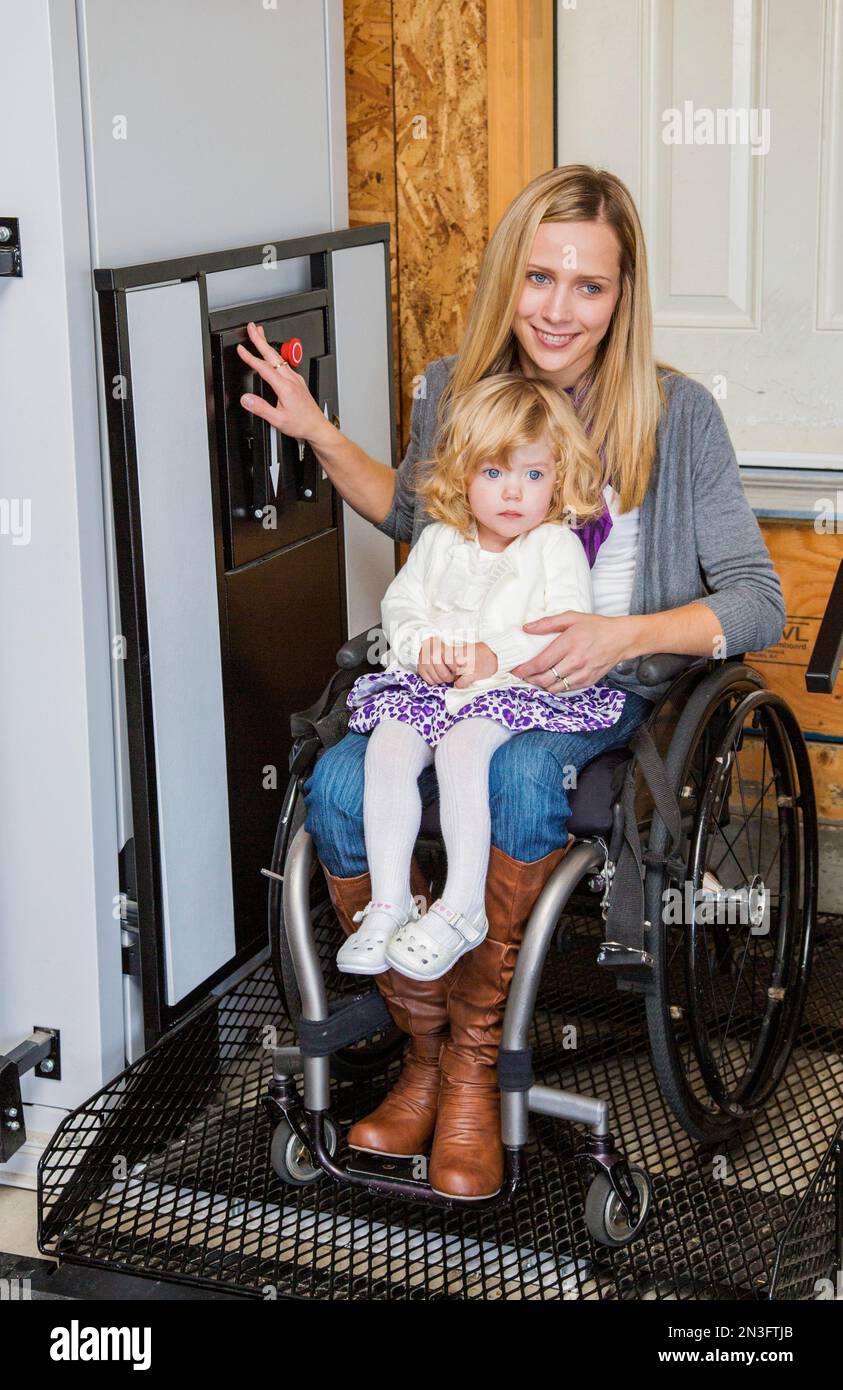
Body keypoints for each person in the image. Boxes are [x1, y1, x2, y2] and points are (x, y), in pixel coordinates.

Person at [237, 165, 786, 1201]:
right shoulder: (456, 390)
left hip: (596, 693)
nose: (560, 308)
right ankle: (425, 1052)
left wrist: (620, 632)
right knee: (344, 786)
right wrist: (316, 434)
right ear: (509, 278)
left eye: (591, 285)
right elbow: (417, 517)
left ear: (624, 296)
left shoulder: (679, 416)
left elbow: (758, 600)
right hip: (456, 678)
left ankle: (475, 1064)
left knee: (526, 775)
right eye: (541, 276)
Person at [337, 373, 626, 990]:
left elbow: (563, 627)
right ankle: (388, 904)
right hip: (435, 685)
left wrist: (492, 656)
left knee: (465, 748)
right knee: (389, 743)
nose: (514, 493)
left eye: (533, 475)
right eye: (494, 474)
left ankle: (462, 903)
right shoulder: (440, 540)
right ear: (462, 475)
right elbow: (402, 608)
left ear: (559, 479)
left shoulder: (553, 547)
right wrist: (424, 649)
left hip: (518, 689)